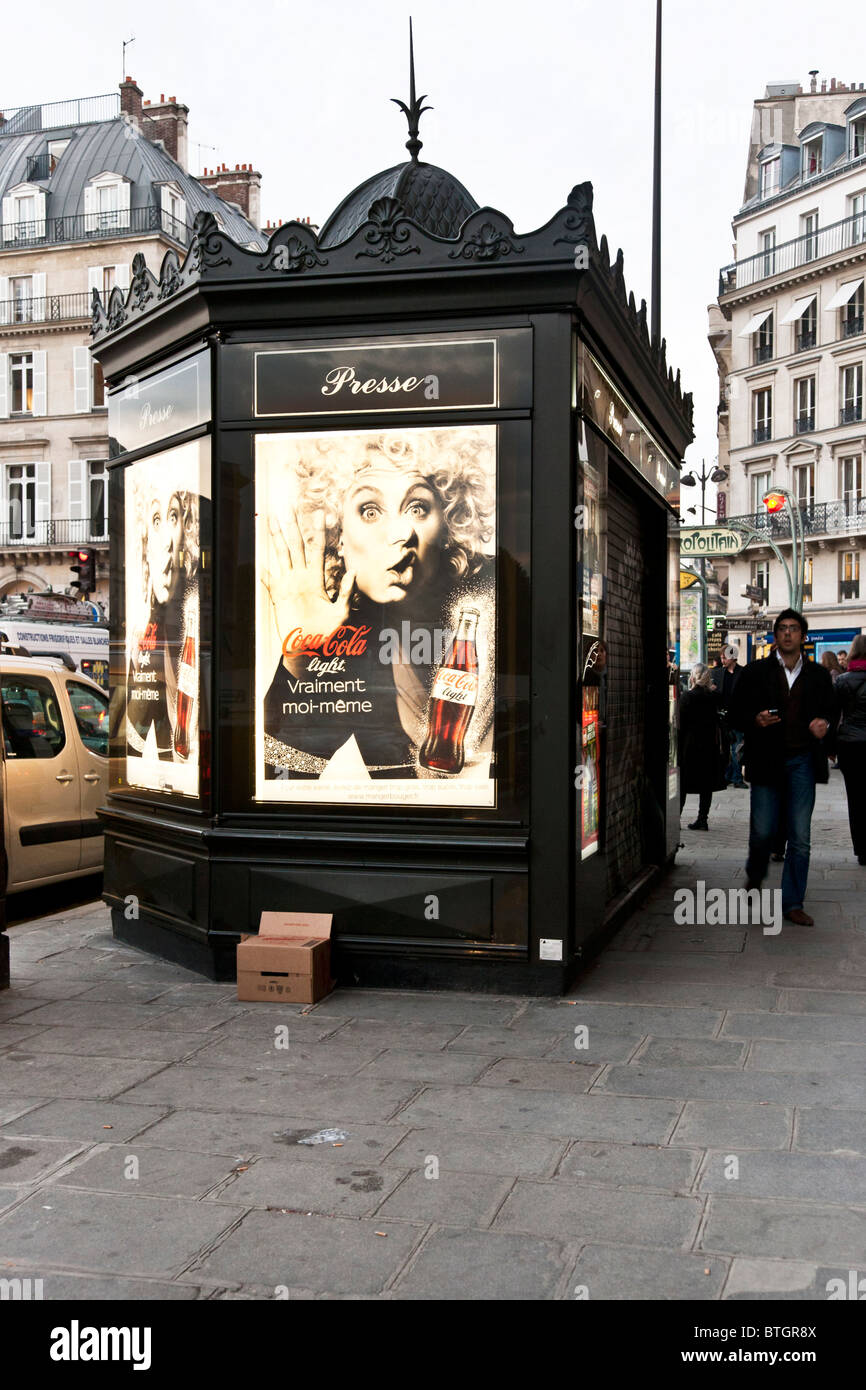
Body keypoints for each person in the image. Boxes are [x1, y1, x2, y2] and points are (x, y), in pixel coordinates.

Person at [261, 429, 495, 782]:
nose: (401, 533)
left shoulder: (497, 590)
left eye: (417, 508)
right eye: (370, 511)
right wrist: (299, 661)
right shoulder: (348, 636)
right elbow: (281, 773)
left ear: (448, 524)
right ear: (339, 536)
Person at [729, 609, 836, 925]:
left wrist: (825, 725)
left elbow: (832, 711)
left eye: (794, 628)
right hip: (766, 760)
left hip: (802, 761)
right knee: (763, 831)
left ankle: (792, 903)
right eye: (783, 628)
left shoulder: (817, 675)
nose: (788, 633)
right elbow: (734, 713)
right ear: (775, 636)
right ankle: (755, 875)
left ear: (803, 636)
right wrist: (755, 719)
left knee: (800, 836)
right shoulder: (755, 672)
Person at [127, 484, 200, 762]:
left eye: (173, 517)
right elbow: (133, 736)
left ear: (186, 530)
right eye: (157, 520)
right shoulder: (144, 626)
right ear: (145, 539)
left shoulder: (190, 619)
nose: (168, 540)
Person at [678, 663, 726, 830]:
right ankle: (702, 819)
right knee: (706, 784)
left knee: (683, 784)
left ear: (693, 677)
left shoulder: (687, 696)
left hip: (689, 745)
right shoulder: (713, 696)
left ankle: (676, 819)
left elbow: (680, 723)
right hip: (709, 745)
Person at [834, 634, 866, 864]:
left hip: (850, 745)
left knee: (855, 799)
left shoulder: (842, 680)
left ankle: (862, 850)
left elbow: (833, 714)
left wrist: (830, 746)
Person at [711, 643, 747, 788]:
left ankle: (737, 778)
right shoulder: (717, 673)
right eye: (721, 658)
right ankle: (727, 776)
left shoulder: (743, 673)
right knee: (726, 750)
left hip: (738, 717)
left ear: (732, 657)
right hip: (722, 718)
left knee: (737, 749)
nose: (722, 660)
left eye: (724, 657)